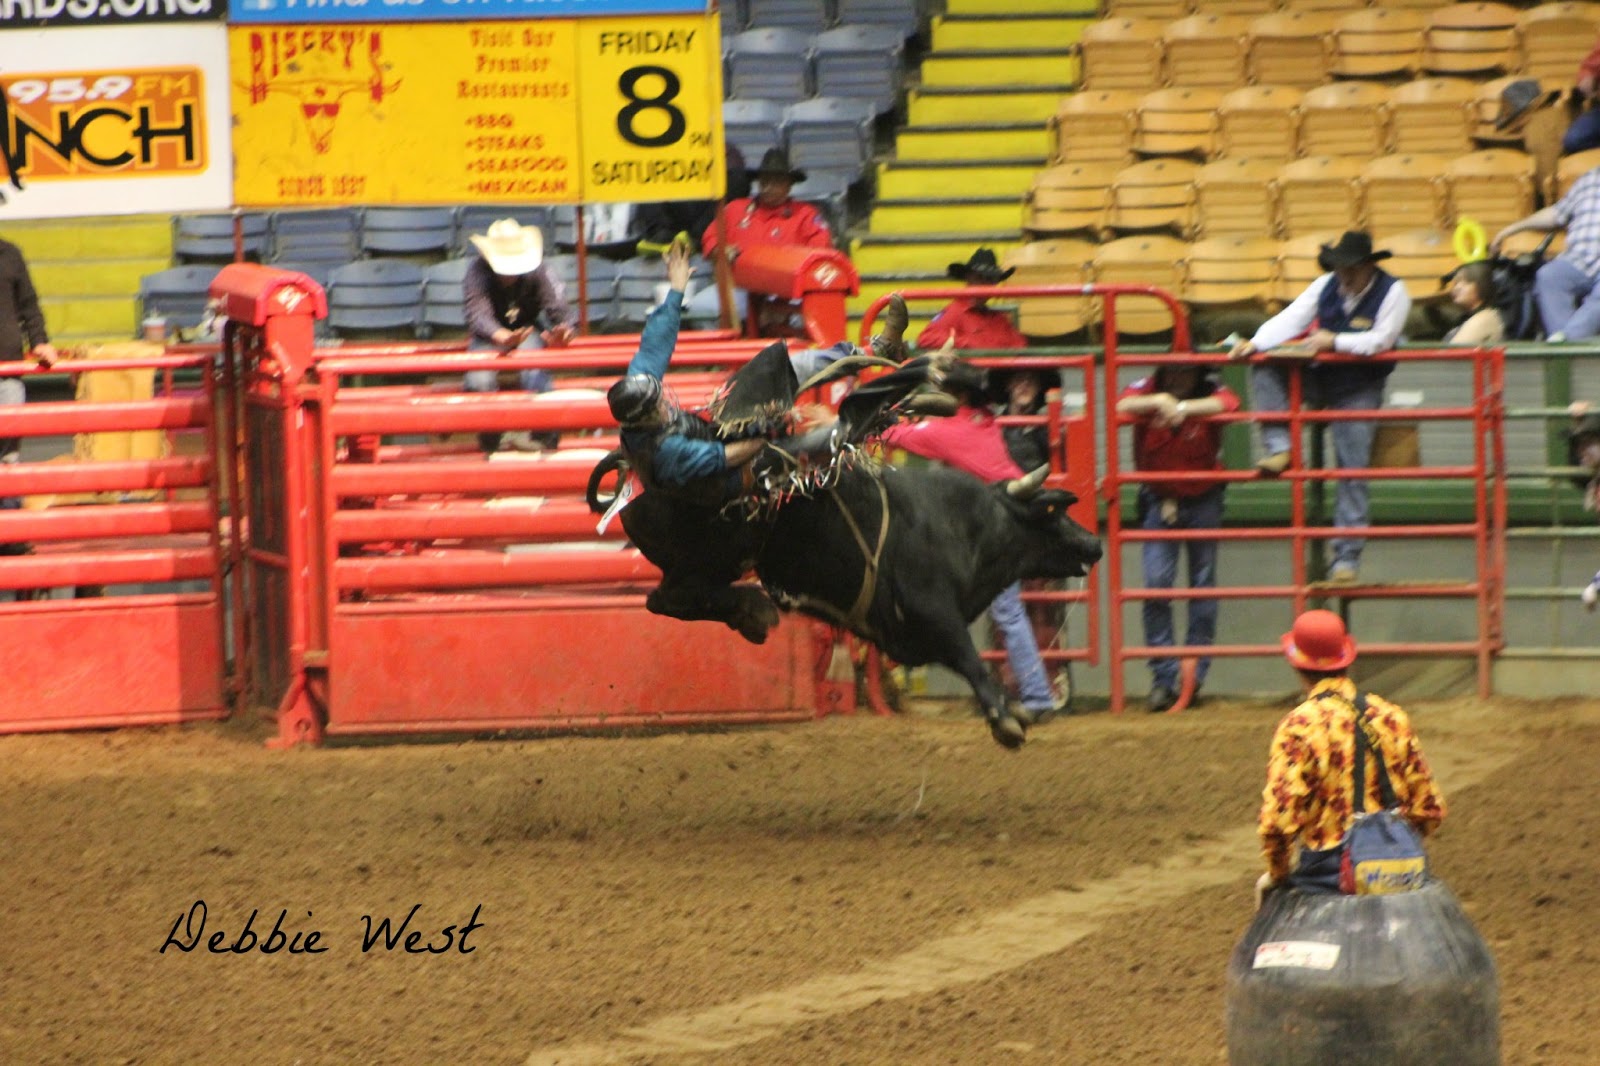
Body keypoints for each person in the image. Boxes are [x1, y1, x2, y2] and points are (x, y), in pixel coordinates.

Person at [877, 362, 1066, 722]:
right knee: (1002, 609)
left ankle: (1037, 696)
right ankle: (1031, 694)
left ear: (955, 397)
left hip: (1000, 525)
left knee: (1003, 609)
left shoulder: (946, 431)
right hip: (1013, 517)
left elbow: (893, 436)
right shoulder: (981, 418)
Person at [1228, 231, 1411, 585]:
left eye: (1351, 269)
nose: (1344, 275)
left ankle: (1347, 557)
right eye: (1341, 268)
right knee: (1263, 364)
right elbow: (1292, 319)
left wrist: (1334, 340)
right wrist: (1257, 342)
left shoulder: (1394, 292)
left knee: (1351, 467)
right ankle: (1280, 447)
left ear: (1367, 266)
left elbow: (1382, 340)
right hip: (1326, 377)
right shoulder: (1326, 285)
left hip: (1360, 385)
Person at [1255, 609, 1447, 903]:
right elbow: (1429, 809)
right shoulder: (1392, 717)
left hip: (1327, 878)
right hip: (1403, 873)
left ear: (1296, 665)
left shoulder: (1299, 726)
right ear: (1345, 657)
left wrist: (1277, 874)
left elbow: (1279, 823)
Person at [1115, 358, 1241, 712]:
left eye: (1186, 370)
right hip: (1158, 498)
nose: (1179, 377)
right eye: (1173, 370)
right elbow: (1121, 403)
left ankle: (1192, 678)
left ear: (1198, 373)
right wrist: (1160, 402)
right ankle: (1164, 678)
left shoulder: (1211, 392)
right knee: (1156, 586)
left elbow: (1229, 403)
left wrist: (1180, 408)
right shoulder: (1147, 391)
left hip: (1203, 497)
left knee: (1202, 588)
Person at [606, 242, 770, 503]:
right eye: (658, 405)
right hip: (701, 485)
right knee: (774, 465)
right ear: (646, 418)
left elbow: (655, 344)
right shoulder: (667, 451)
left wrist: (677, 290)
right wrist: (764, 442)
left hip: (685, 452)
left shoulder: (638, 387)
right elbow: (724, 457)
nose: (663, 403)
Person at [463, 218, 577, 454]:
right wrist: (502, 335)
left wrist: (564, 331)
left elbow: (559, 308)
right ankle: (491, 442)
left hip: (527, 330)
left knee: (536, 372)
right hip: (489, 335)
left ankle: (546, 437)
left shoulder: (540, 270)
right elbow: (477, 314)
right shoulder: (477, 272)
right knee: (478, 381)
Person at [694, 148, 835, 335]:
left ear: (788, 185)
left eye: (776, 182)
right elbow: (710, 237)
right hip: (739, 288)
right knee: (698, 307)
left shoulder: (805, 215)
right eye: (765, 181)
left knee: (805, 316)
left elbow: (821, 250)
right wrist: (721, 249)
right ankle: (725, 357)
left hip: (789, 292)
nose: (768, 187)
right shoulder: (736, 209)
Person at [1492, 165, 1600, 343]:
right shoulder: (1588, 179)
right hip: (1578, 259)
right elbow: (1556, 214)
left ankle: (1564, 343)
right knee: (1548, 275)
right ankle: (1566, 352)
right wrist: (1512, 228)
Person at [0, 237, 57, 530]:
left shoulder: (10, 254)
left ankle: (10, 535)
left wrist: (40, 342)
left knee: (8, 458)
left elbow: (29, 306)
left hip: (7, 374)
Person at [917, 248, 1029, 351]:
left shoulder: (999, 319)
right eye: (979, 278)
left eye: (990, 279)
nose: (985, 283)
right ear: (968, 278)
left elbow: (1020, 347)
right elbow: (926, 339)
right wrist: (966, 344)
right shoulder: (955, 312)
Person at [1441, 261, 1505, 346]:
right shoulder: (1472, 316)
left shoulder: (1484, 319)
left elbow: (1450, 355)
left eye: (1466, 283)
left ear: (1482, 286)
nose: (1457, 288)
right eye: (1456, 283)